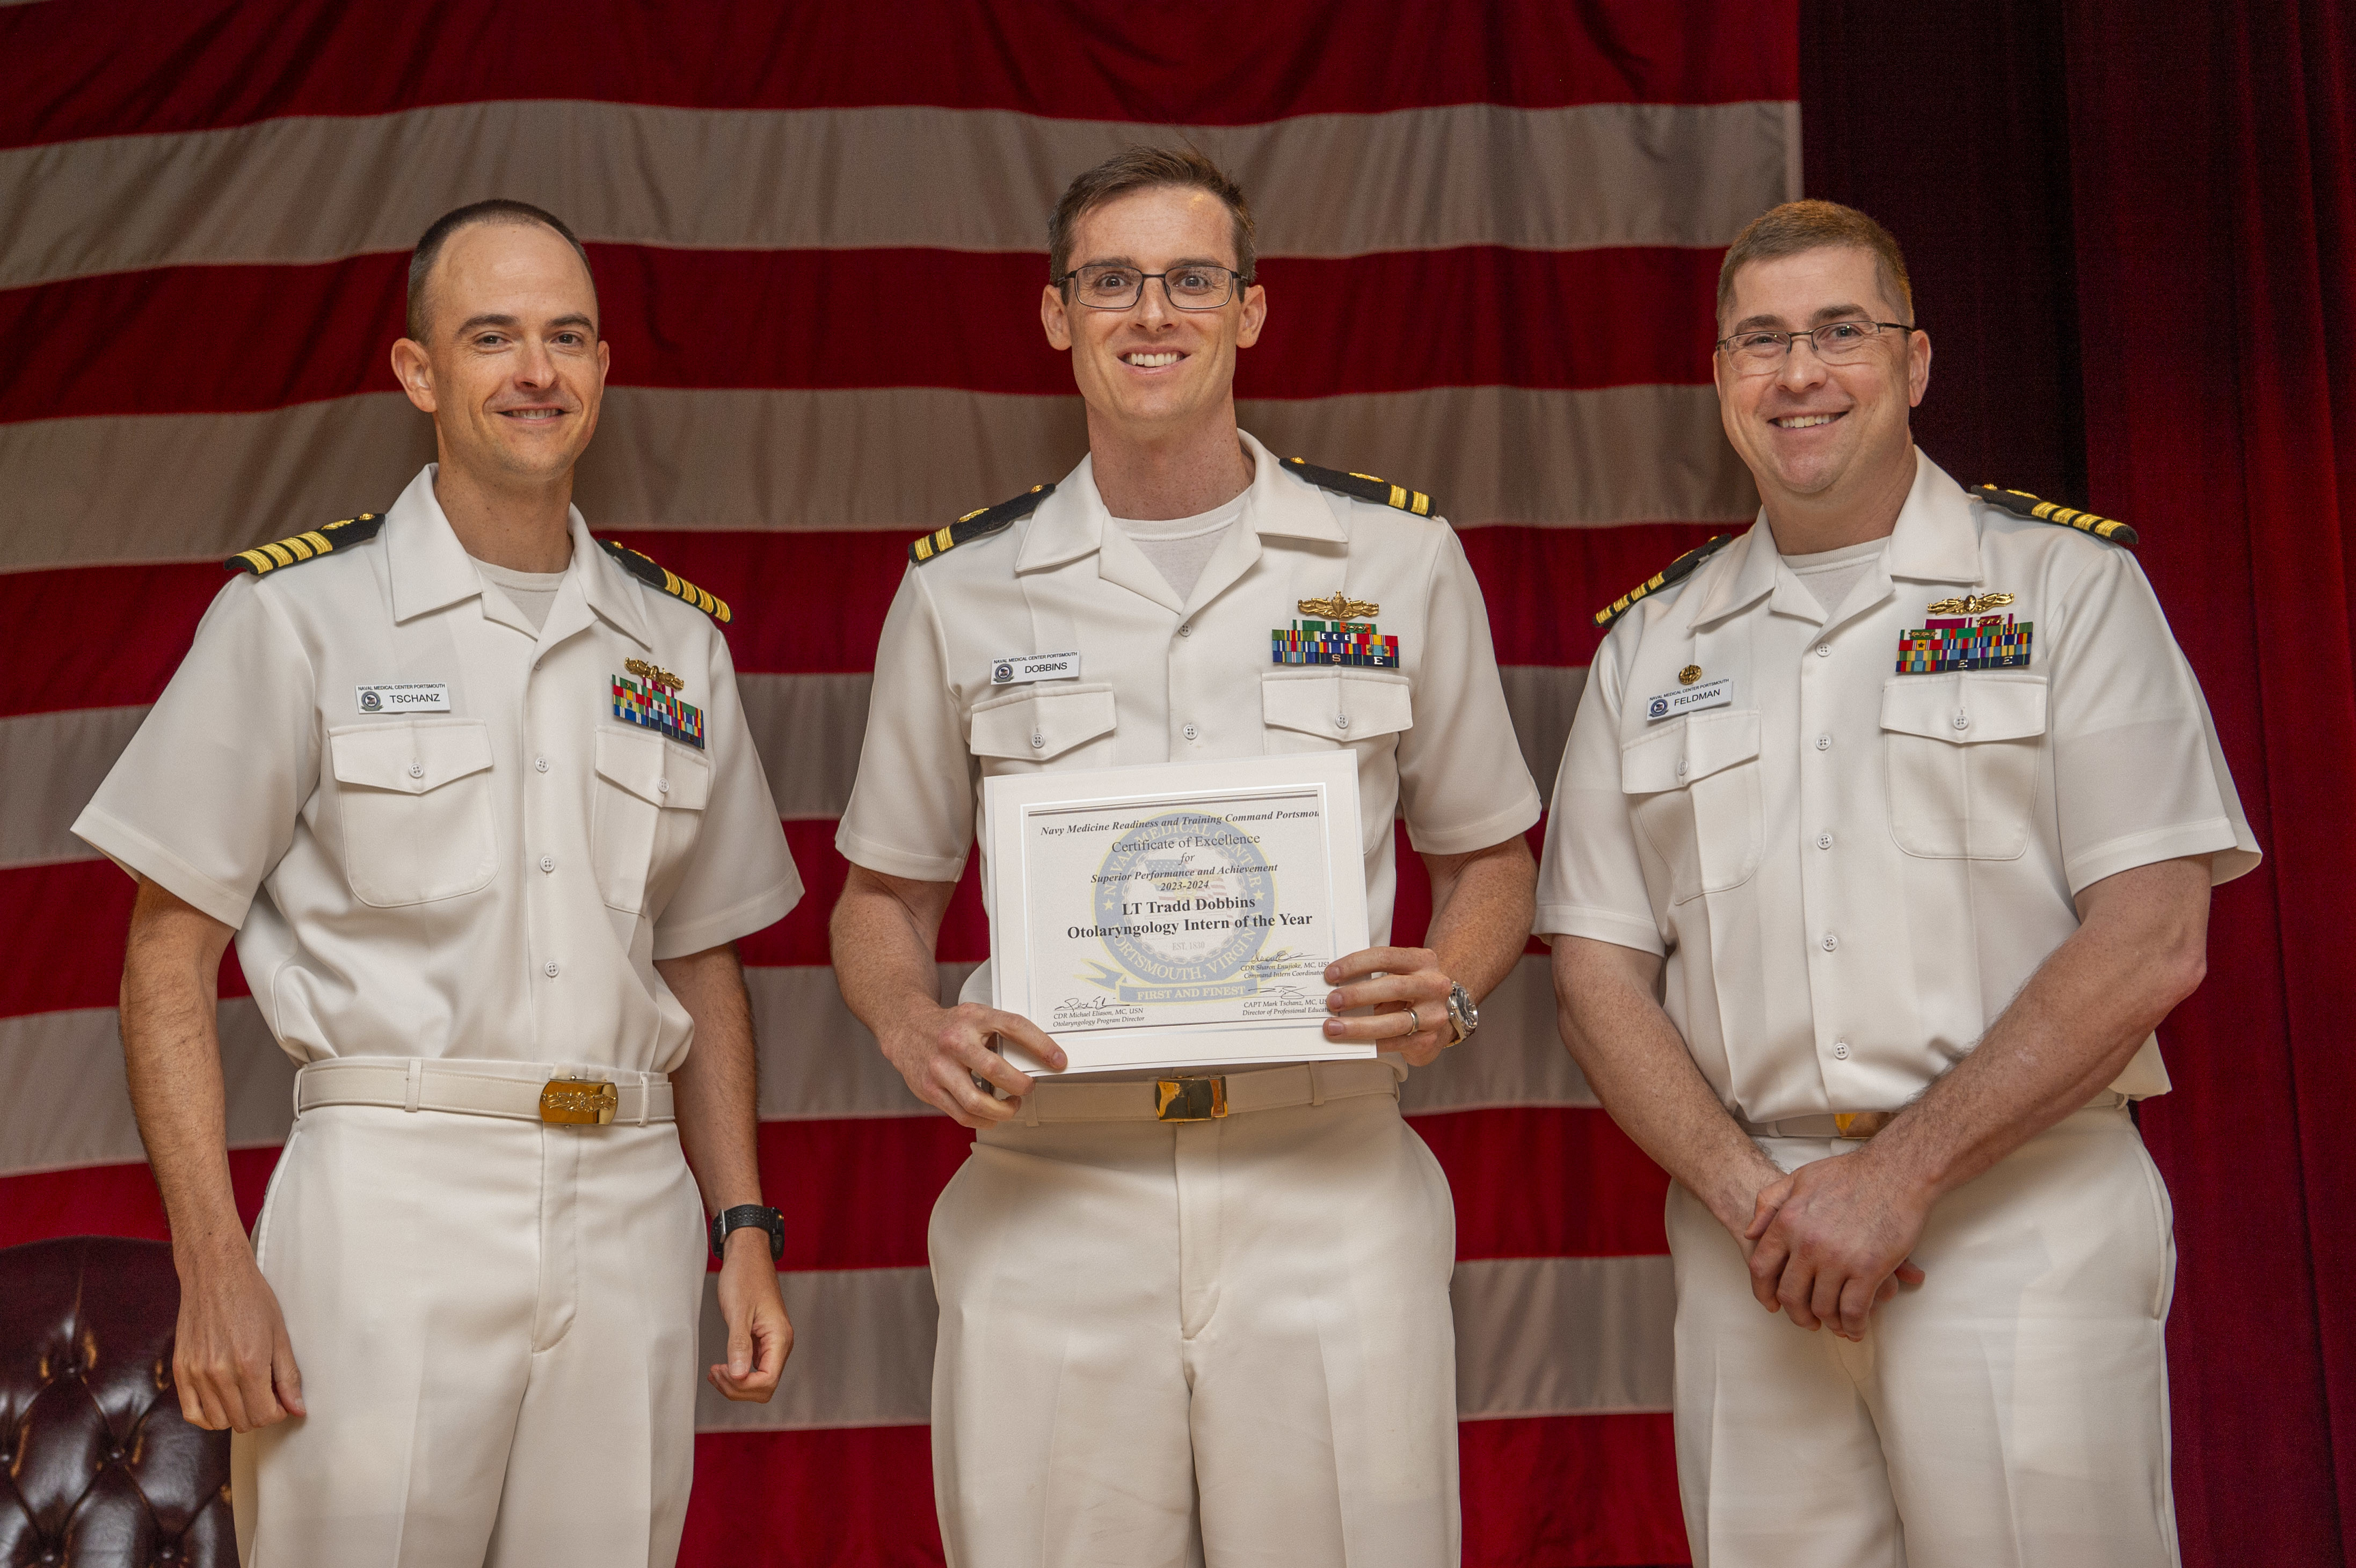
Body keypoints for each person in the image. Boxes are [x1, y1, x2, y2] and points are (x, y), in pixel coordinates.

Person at [829, 146, 1539, 1566]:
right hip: (1051, 1186)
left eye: (1189, 279)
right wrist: (910, 1023)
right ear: (1055, 315)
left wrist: (1449, 988)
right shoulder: (960, 587)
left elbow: (1490, 858)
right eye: (1111, 281)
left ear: (1249, 310)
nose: (1150, 314)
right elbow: (882, 897)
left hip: (1324, 1177)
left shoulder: (1390, 559)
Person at [72, 199, 803, 1567]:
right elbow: (164, 956)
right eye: (493, 336)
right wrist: (215, 1263)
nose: (538, 370)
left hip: (632, 1200)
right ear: (419, 374)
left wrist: (742, 1226)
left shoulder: (675, 645)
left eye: (567, 336)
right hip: (392, 1196)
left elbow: (698, 955)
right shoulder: (296, 617)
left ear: (601, 369)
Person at [1537, 197, 2260, 1566]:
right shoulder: (1648, 647)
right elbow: (1594, 977)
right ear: (1719, 379)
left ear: (1915, 363)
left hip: (2016, 1216)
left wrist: (1897, 1179)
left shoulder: (2066, 588)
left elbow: (2156, 937)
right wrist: (1763, 1203)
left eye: (1837, 332)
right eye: (1759, 340)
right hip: (1751, 1242)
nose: (1797, 372)